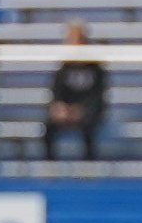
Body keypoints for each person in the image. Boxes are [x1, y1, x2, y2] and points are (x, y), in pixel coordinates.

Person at [45, 24, 108, 160]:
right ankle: (49, 164)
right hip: (68, 109)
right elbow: (57, 90)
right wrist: (60, 107)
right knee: (48, 125)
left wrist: (81, 110)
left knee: (88, 125)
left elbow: (98, 95)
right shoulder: (64, 66)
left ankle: (89, 165)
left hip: (88, 110)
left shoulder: (95, 67)